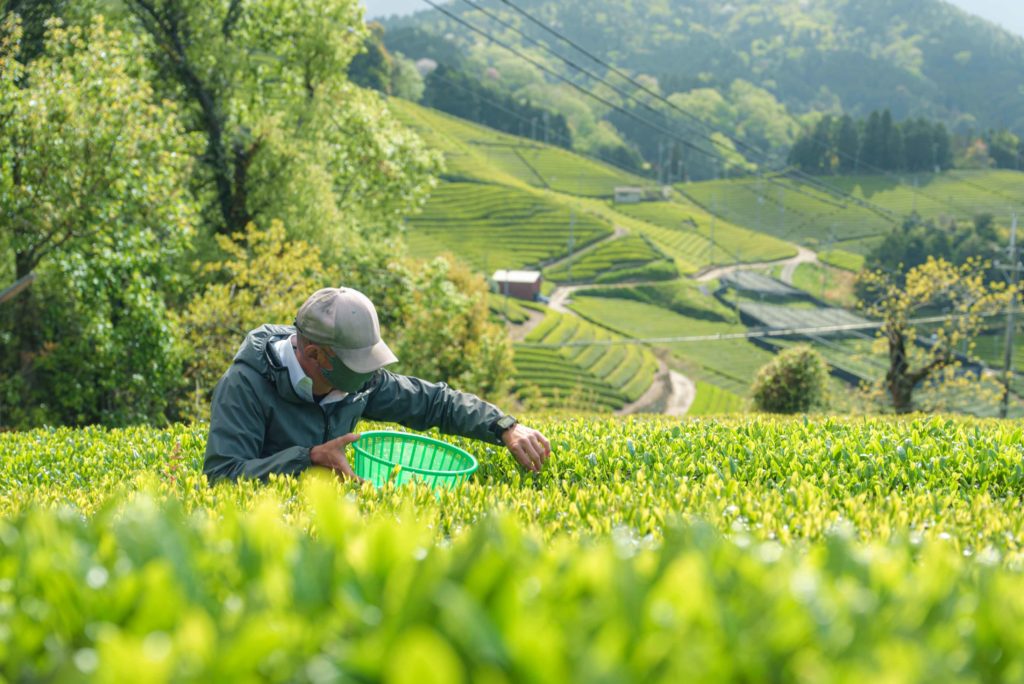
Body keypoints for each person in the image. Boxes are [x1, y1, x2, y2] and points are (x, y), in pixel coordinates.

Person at [203, 287, 552, 483]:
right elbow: (221, 474)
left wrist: (505, 427)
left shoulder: (357, 383)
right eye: (358, 364)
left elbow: (435, 402)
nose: (369, 374)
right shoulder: (246, 385)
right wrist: (307, 459)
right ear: (314, 354)